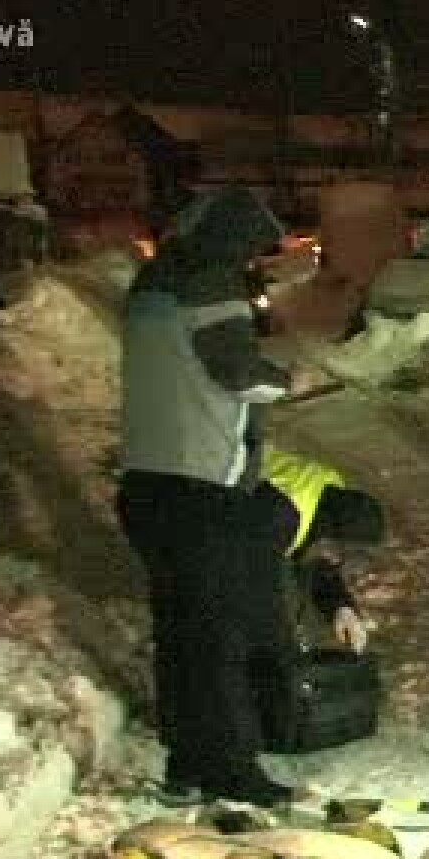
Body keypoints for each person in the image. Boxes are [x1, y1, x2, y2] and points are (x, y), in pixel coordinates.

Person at [116, 186, 305, 808]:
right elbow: (236, 370)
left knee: (181, 634)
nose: (254, 262)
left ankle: (188, 761)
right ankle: (230, 770)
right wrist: (287, 380)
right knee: (221, 637)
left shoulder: (152, 284)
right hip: (204, 489)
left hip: (147, 482)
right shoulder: (210, 283)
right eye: (253, 249)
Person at [259, 446, 386, 654]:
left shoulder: (327, 493)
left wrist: (341, 607)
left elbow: (318, 561)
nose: (335, 563)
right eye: (338, 554)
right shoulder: (279, 517)